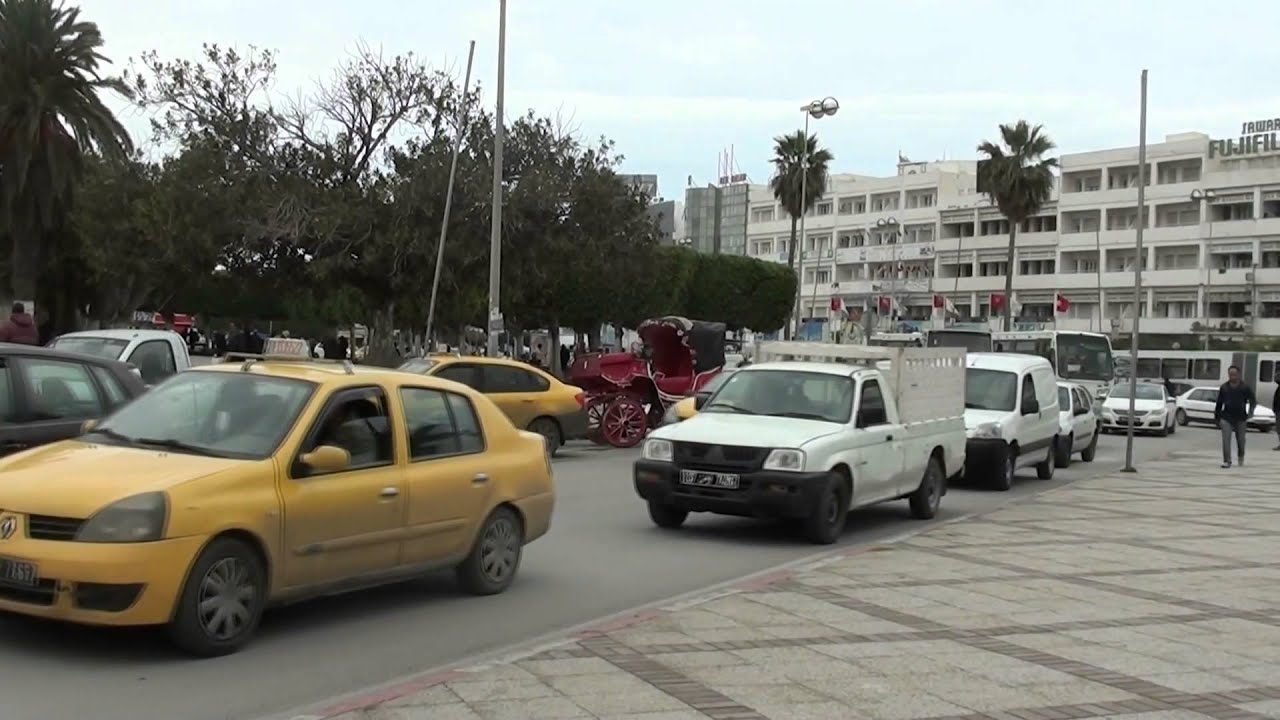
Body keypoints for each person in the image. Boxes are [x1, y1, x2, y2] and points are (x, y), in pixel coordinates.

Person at [1214, 365, 1256, 468]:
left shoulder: (1245, 387)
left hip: (1241, 417)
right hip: (1226, 417)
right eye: (1230, 374)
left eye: (1234, 374)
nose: (1232, 376)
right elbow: (1219, 403)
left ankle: (1241, 456)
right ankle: (1227, 461)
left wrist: (1250, 412)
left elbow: (1253, 401)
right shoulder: (1224, 387)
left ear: (1238, 375)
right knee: (1226, 439)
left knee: (1241, 440)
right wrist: (1217, 418)